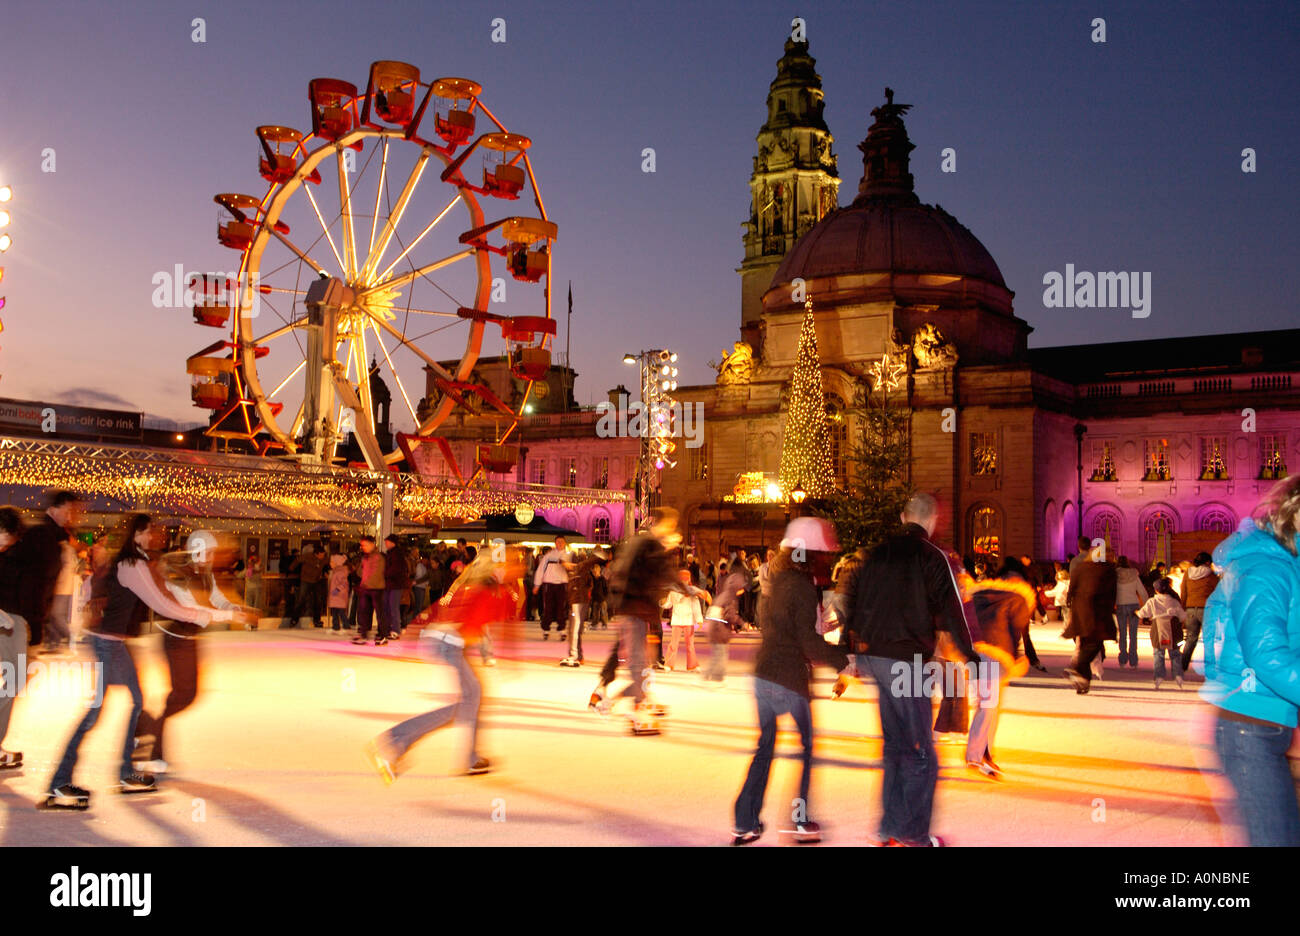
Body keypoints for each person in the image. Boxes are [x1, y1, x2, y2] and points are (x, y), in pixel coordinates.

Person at [46, 515, 237, 808]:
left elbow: (162, 593)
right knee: (94, 713)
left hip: (114, 643)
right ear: (137, 534)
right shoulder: (132, 565)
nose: (155, 537)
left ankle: (125, 773)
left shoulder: (137, 562)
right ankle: (59, 782)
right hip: (103, 642)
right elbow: (161, 604)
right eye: (150, 532)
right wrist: (204, 615)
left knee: (136, 701)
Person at [851, 492, 979, 847]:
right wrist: (971, 656)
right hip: (907, 662)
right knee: (920, 750)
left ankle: (889, 826)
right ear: (932, 520)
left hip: (876, 657)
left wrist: (855, 651)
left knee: (894, 745)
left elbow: (855, 600)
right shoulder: (932, 556)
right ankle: (912, 833)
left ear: (903, 517)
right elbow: (954, 610)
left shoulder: (876, 553)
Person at [732, 518, 848, 845]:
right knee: (806, 747)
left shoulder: (777, 580)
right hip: (788, 678)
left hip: (763, 674)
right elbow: (806, 640)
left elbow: (786, 627)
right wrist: (842, 661)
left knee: (765, 747)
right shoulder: (799, 585)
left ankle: (745, 820)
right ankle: (799, 819)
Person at [1200, 477, 1300, 845]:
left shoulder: (1288, 564)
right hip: (1248, 726)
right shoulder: (1268, 567)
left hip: (1267, 724)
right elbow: (1267, 654)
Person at [366, 549, 522, 781]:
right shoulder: (487, 590)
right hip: (448, 643)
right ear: (497, 569)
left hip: (448, 642)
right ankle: (394, 741)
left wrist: (419, 626)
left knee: (472, 698)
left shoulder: (482, 587)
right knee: (465, 704)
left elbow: (443, 606)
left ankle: (471, 758)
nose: (516, 570)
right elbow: (470, 621)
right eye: (511, 565)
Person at [134, 532, 255, 772]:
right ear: (197, 551)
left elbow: (216, 599)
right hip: (175, 639)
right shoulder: (179, 577)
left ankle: (145, 730)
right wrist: (232, 616)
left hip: (190, 640)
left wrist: (233, 607)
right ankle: (151, 743)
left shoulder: (205, 573)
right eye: (208, 552)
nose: (213, 557)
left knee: (188, 695)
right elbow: (196, 610)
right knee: (179, 695)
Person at [591, 509, 679, 729]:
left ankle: (615, 700)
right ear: (663, 524)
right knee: (639, 665)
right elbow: (659, 572)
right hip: (635, 611)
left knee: (643, 665)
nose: (672, 530)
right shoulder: (649, 545)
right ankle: (630, 709)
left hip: (639, 611)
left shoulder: (646, 544)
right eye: (670, 525)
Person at [965, 558, 1035, 778]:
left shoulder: (978, 593)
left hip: (974, 650)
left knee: (987, 704)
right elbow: (1016, 632)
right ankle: (975, 756)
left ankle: (984, 753)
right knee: (988, 705)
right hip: (995, 653)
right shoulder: (1019, 598)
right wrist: (1014, 659)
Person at [19, 490, 84, 654]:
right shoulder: (44, 535)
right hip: (30, 608)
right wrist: (36, 614)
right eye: (67, 511)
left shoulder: (55, 536)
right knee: (20, 665)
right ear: (54, 509)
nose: (69, 517)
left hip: (36, 607)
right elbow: (36, 578)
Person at [1062, 538, 1117, 694]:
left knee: (1086, 643)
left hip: (1080, 611)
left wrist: (1071, 606)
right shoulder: (1108, 569)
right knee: (1095, 644)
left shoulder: (1080, 567)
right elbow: (1112, 593)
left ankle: (1083, 683)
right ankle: (1075, 668)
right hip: (1097, 612)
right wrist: (1111, 609)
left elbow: (1072, 588)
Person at [0, 508, 30, 769]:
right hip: (8, 619)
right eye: (5, 538)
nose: (6, 545)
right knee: (14, 678)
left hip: (13, 618)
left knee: (15, 679)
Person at [560, 548, 605, 666]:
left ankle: (574, 655)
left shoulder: (579, 567)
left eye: (567, 563)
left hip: (578, 602)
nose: (566, 566)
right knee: (576, 629)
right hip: (577, 602)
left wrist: (599, 554)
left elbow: (590, 561)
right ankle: (578, 655)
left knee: (574, 629)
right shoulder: (573, 571)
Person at [1138, 579, 1185, 689]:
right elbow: (1183, 616)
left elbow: (1143, 613)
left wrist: (1137, 612)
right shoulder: (1174, 601)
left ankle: (1159, 676)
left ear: (1156, 590)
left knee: (1158, 653)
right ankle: (1178, 675)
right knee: (1175, 653)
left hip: (1158, 630)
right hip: (1173, 631)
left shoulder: (1152, 601)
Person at [1179, 551, 1219, 675]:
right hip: (1207, 609)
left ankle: (1182, 665)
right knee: (1208, 639)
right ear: (1207, 562)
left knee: (1191, 638)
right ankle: (1209, 669)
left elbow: (1183, 592)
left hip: (1191, 608)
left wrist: (1183, 608)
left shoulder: (1187, 574)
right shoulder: (1211, 575)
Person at [662, 568, 705, 671]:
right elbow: (668, 604)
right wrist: (662, 602)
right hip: (677, 620)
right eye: (683, 579)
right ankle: (668, 664)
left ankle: (692, 665)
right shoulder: (673, 591)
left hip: (688, 620)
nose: (685, 581)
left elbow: (696, 605)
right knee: (673, 643)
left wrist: (699, 619)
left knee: (690, 644)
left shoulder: (692, 590)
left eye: (686, 579)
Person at [534, 536, 572, 640]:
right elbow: (540, 569)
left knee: (561, 607)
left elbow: (573, 568)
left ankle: (562, 630)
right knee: (548, 608)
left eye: (561, 542)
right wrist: (537, 585)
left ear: (565, 543)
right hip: (549, 584)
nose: (559, 543)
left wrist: (566, 565)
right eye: (558, 542)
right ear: (555, 543)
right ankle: (546, 629)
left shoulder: (569, 555)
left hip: (562, 584)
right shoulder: (548, 556)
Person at [352, 535, 387, 645]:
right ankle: (363, 633)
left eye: (365, 545)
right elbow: (362, 572)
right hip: (366, 588)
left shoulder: (378, 557)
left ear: (372, 545)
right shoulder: (365, 557)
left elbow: (376, 573)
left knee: (380, 613)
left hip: (376, 589)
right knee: (364, 612)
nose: (363, 547)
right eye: (362, 545)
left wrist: (364, 583)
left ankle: (382, 635)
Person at [1114, 555, 1148, 669]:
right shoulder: (1134, 575)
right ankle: (1133, 660)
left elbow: (1112, 591)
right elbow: (1142, 591)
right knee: (1133, 634)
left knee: (1122, 633)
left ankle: (1123, 658)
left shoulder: (1115, 576)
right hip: (1134, 605)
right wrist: (1146, 606)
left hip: (1120, 604)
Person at [289, 543, 326, 628]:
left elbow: (331, 561)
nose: (322, 557)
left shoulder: (324, 559)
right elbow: (297, 560)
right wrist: (291, 568)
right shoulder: (307, 556)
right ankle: (294, 619)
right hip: (305, 580)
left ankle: (317, 620)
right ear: (316, 554)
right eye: (321, 555)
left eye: (323, 555)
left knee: (318, 601)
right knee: (301, 600)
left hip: (316, 581)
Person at [382, 535, 411, 640]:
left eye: (387, 542)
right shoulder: (391, 554)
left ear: (392, 542)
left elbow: (396, 570)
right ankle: (390, 628)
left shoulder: (397, 555)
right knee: (388, 607)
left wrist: (384, 573)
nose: (385, 544)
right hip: (390, 584)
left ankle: (395, 630)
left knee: (393, 607)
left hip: (395, 585)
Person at [328, 553, 351, 631]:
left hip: (339, 596)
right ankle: (336, 625)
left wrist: (337, 589)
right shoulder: (335, 571)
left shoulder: (340, 572)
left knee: (341, 612)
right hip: (335, 596)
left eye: (332, 562)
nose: (330, 563)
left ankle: (346, 625)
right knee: (335, 611)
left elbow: (344, 583)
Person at [588, 562, 610, 629]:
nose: (594, 574)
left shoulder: (602, 579)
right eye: (593, 573)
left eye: (595, 572)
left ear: (599, 571)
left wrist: (605, 596)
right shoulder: (593, 579)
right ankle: (595, 623)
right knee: (595, 612)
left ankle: (604, 624)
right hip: (595, 598)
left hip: (602, 598)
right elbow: (591, 588)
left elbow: (606, 588)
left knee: (603, 612)